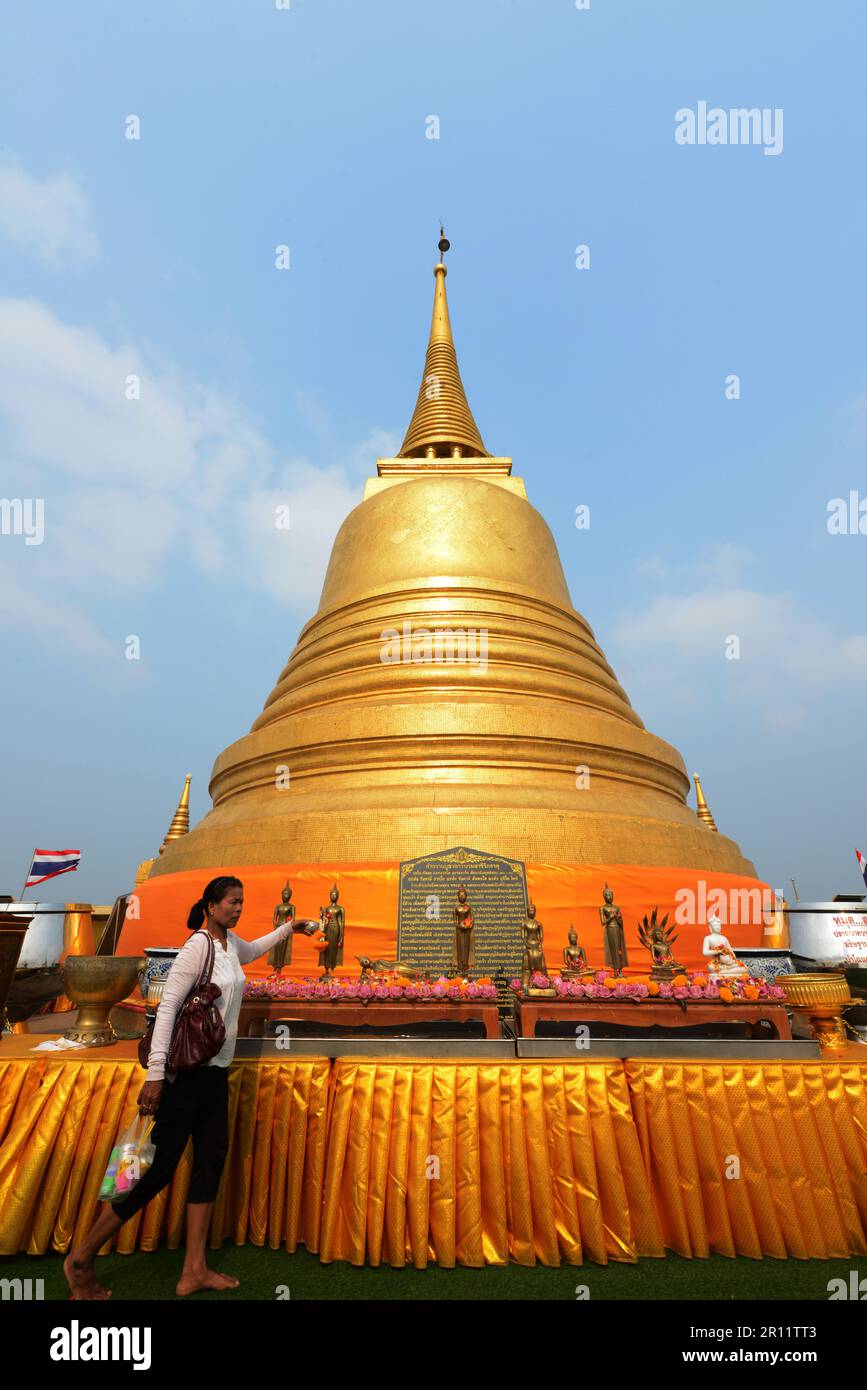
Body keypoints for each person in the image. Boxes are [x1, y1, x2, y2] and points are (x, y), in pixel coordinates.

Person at [64, 875, 316, 1300]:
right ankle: (82, 1256)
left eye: (241, 902)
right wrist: (156, 1075)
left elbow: (254, 949)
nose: (238, 908)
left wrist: (291, 928)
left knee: (210, 1162)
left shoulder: (230, 945)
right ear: (212, 906)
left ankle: (194, 1269)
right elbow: (167, 1012)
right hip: (186, 1077)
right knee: (156, 1170)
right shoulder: (197, 948)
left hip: (215, 1072)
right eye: (233, 902)